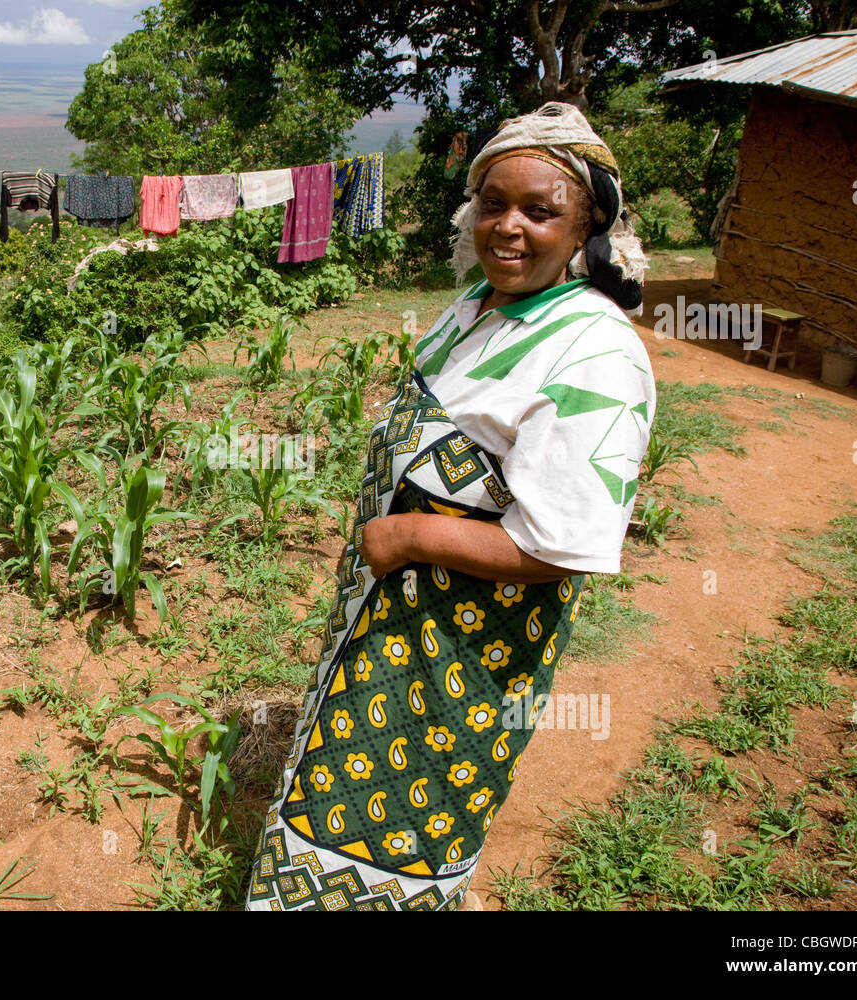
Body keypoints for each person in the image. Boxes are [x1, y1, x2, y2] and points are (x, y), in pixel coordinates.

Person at [244, 102, 656, 911]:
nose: (508, 228)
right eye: (493, 204)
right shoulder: (475, 307)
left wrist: (404, 534)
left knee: (402, 806)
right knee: (337, 775)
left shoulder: (597, 354)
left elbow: (560, 547)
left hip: (461, 646)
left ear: (586, 229)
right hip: (388, 614)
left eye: (541, 211)